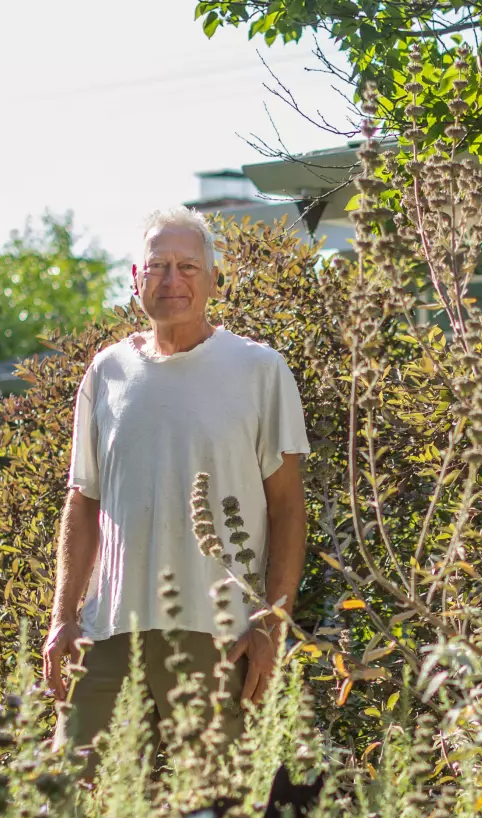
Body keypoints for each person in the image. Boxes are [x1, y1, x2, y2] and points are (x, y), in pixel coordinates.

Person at [42, 206, 308, 767]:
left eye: (188, 267)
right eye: (158, 266)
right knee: (67, 801)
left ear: (214, 280)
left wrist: (270, 624)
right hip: (108, 634)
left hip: (217, 635)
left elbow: (287, 509)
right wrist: (63, 617)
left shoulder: (259, 370)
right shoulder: (106, 371)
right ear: (135, 279)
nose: (172, 280)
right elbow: (82, 500)